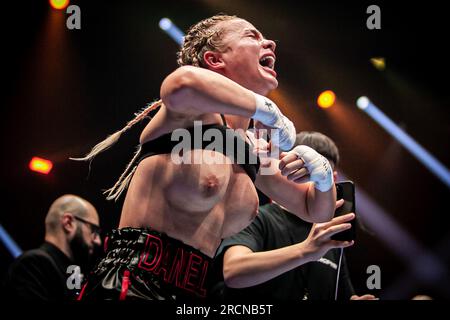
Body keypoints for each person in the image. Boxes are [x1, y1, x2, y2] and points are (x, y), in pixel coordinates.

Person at [72, 14, 337, 300]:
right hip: (133, 282)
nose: (270, 43)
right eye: (252, 36)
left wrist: (320, 174)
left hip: (194, 295)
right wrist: (268, 110)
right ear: (214, 60)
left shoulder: (250, 150)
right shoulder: (194, 114)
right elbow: (181, 84)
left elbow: (316, 210)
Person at [216, 132, 376, 300]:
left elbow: (342, 294)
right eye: (310, 175)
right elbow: (233, 271)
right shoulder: (258, 217)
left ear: (333, 179)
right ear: (289, 170)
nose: (317, 187)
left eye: (324, 179)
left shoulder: (330, 235)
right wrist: (304, 250)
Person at [3, 194, 101, 301]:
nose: (98, 241)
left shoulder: (73, 272)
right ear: (68, 223)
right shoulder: (33, 264)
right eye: (93, 230)